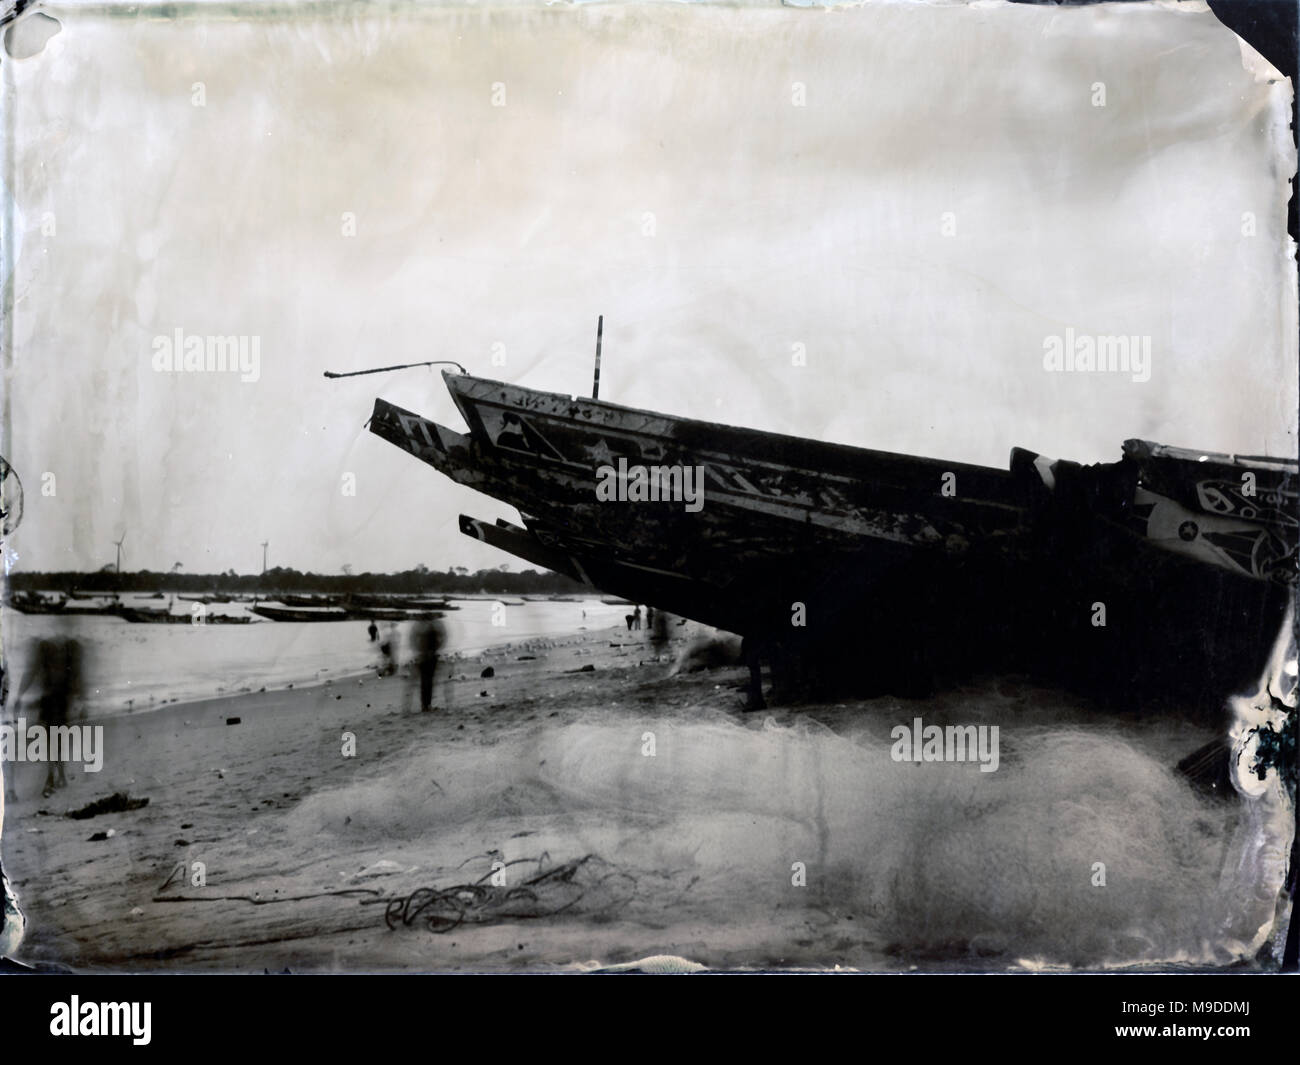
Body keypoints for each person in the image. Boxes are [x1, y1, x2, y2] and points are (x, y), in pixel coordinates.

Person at [13, 632, 83, 797]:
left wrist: (20, 695)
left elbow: (30, 675)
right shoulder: (59, 659)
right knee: (57, 740)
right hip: (59, 701)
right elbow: (73, 679)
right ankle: (59, 777)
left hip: (53, 702)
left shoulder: (45, 658)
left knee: (52, 740)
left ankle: (53, 777)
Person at [410, 616, 446, 712]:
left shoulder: (420, 628)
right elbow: (442, 639)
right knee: (429, 682)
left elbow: (413, 640)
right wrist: (436, 650)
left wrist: (418, 651)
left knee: (424, 682)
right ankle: (427, 704)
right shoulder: (434, 627)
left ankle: (424, 705)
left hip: (424, 656)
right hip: (430, 656)